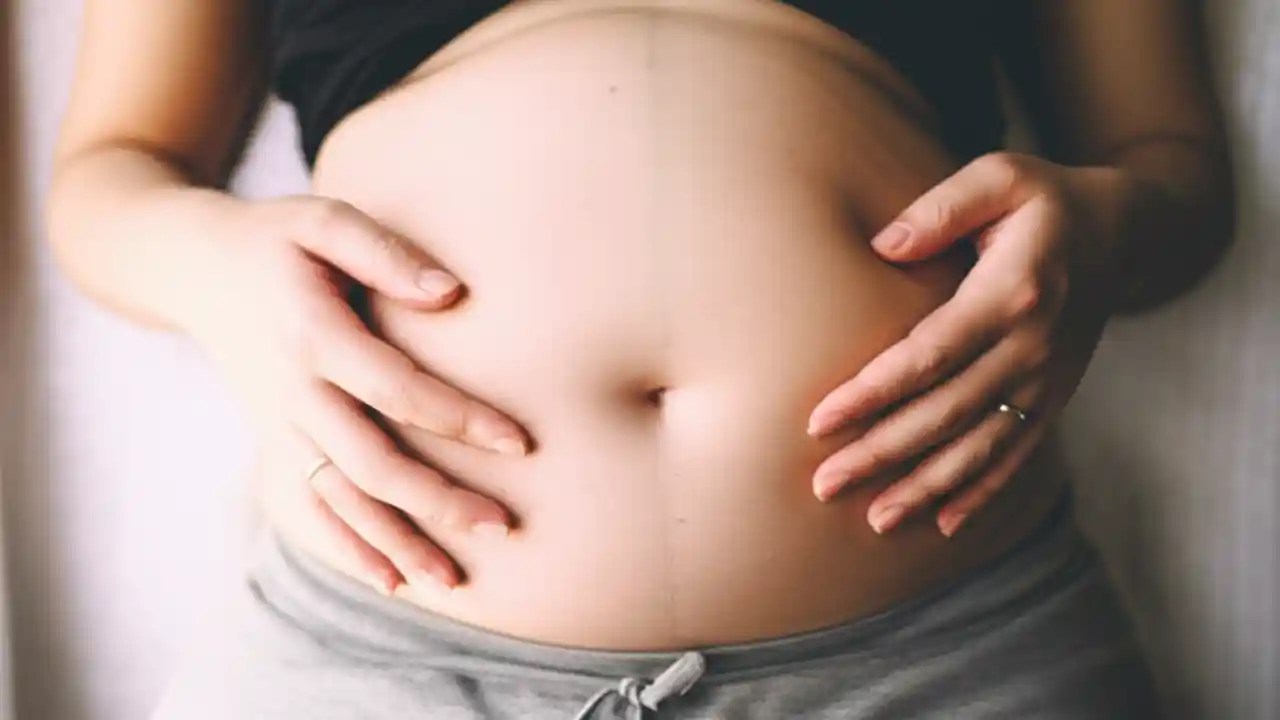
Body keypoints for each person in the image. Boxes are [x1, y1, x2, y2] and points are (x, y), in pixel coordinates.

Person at [46, 0, 1232, 718]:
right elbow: (110, 170)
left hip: (945, 650)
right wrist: (213, 268)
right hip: (384, 651)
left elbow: (1172, 168)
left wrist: (1104, 227)